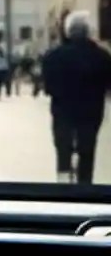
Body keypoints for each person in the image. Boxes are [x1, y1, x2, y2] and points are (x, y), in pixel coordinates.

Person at [41, 11, 111, 184]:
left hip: (63, 111)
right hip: (91, 112)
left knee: (63, 150)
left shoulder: (53, 56)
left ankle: (63, 184)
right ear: (88, 31)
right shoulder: (102, 56)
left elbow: (48, 88)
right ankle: (85, 187)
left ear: (67, 31)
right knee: (87, 151)